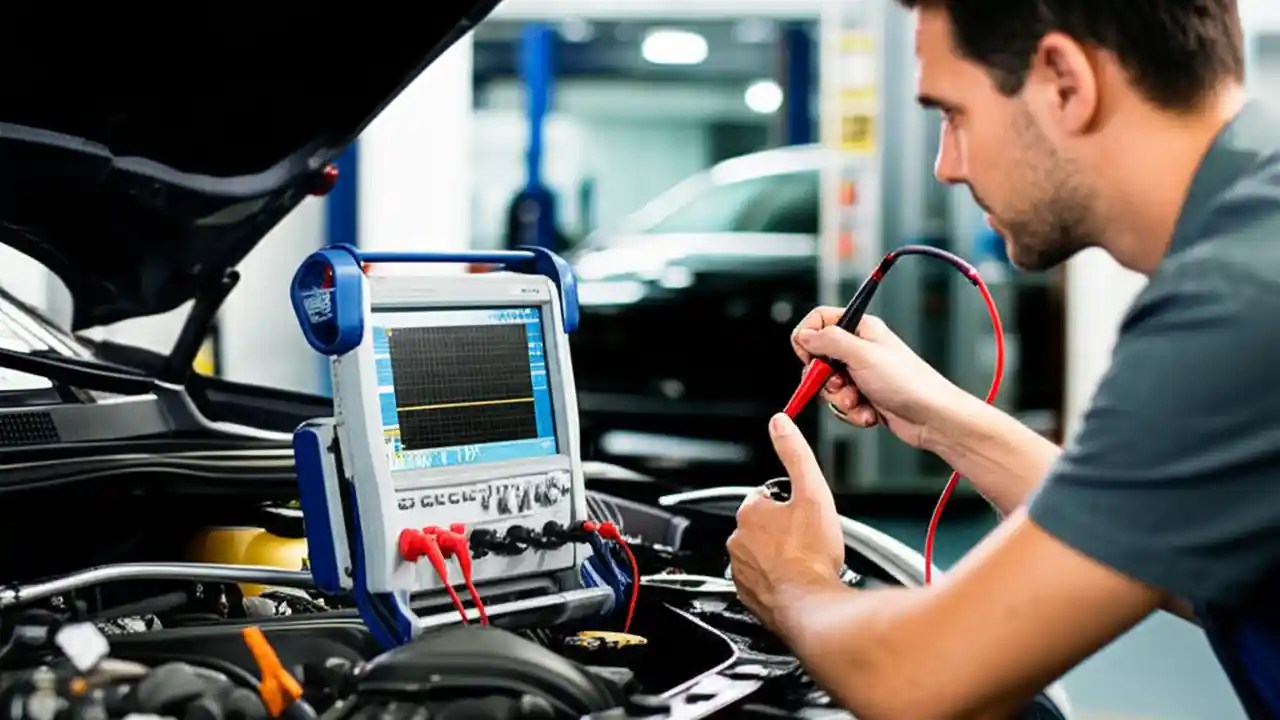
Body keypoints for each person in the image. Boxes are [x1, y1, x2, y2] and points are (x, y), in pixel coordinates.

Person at [726, 1, 1280, 717]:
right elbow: (1156, 539)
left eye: (952, 115)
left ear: (1063, 83)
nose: (945, 166)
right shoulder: (1256, 231)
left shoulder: (1235, 304)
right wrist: (937, 417)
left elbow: (926, 682)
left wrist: (795, 581)